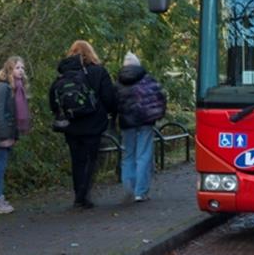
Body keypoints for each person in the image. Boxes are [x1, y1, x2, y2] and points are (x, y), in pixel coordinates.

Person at [49, 40, 117, 209]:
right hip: (93, 123)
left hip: (71, 125)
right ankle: (82, 195)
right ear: (91, 53)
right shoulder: (99, 71)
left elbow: (53, 99)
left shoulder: (63, 75)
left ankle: (78, 193)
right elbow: (109, 97)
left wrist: (62, 114)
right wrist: (111, 112)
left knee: (76, 159)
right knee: (90, 159)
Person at [116, 52, 167, 203]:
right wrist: (159, 114)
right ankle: (141, 192)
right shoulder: (148, 79)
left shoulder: (118, 82)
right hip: (146, 122)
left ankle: (129, 189)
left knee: (128, 156)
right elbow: (161, 97)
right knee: (144, 155)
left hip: (126, 123)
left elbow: (112, 102)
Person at [0, 56, 31, 214]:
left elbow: (14, 114)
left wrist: (13, 135)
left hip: (5, 133)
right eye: (17, 68)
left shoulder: (16, 88)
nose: (21, 71)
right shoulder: (3, 87)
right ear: (9, 69)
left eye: (22, 68)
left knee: (1, 166)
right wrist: (5, 137)